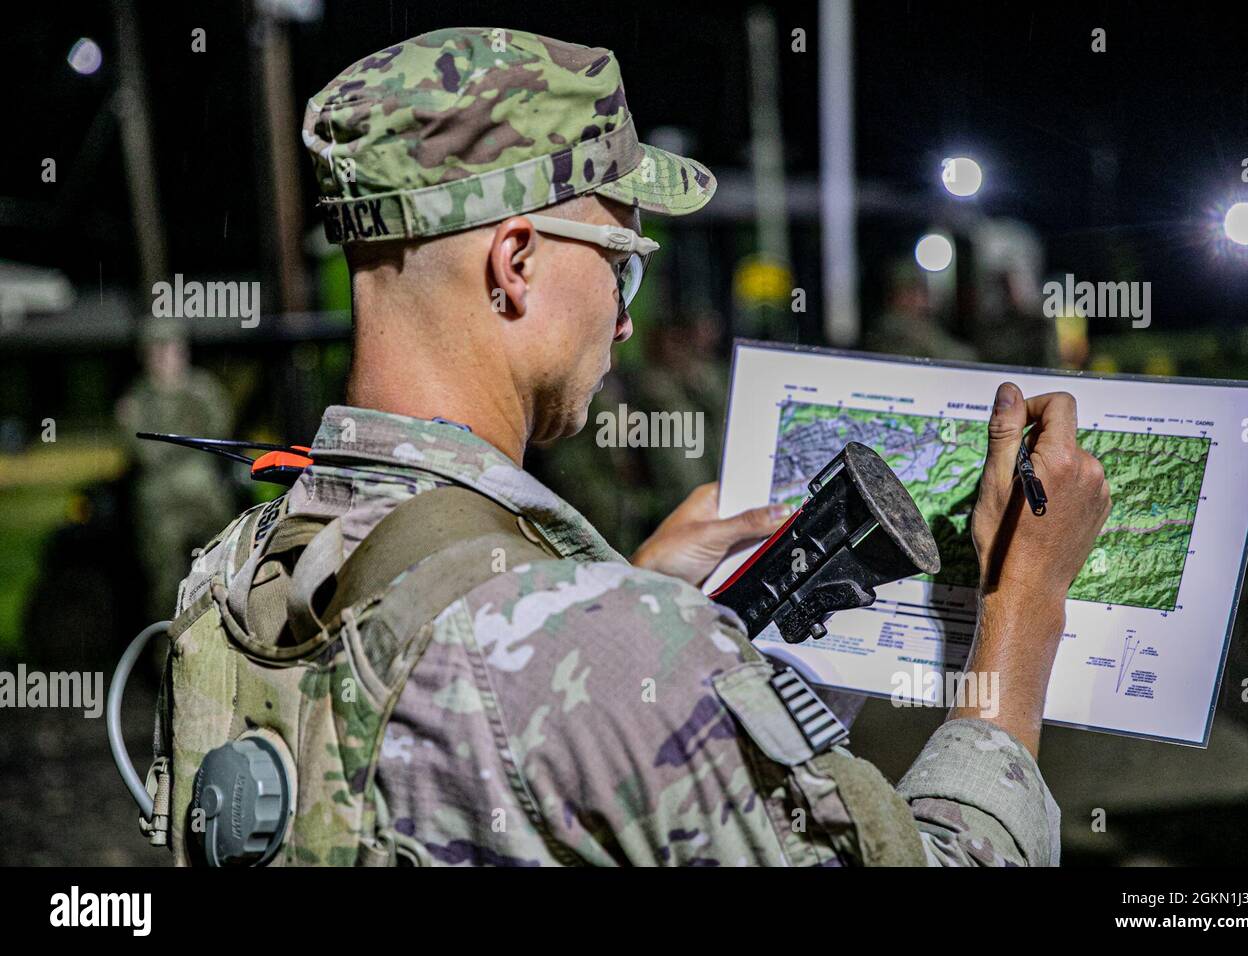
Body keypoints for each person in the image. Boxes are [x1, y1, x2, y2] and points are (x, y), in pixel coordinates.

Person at [159, 28, 1110, 867]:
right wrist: (1019, 625)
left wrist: (614, 594)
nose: (625, 319)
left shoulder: (235, 575)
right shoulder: (588, 647)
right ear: (516, 262)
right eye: (622, 263)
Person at [115, 316, 234, 620]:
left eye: (172, 348)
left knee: (222, 571)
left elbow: (219, 433)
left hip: (205, 498)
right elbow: (142, 451)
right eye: (158, 350)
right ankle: (167, 650)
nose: (166, 357)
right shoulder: (137, 401)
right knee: (165, 586)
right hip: (161, 504)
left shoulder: (203, 392)